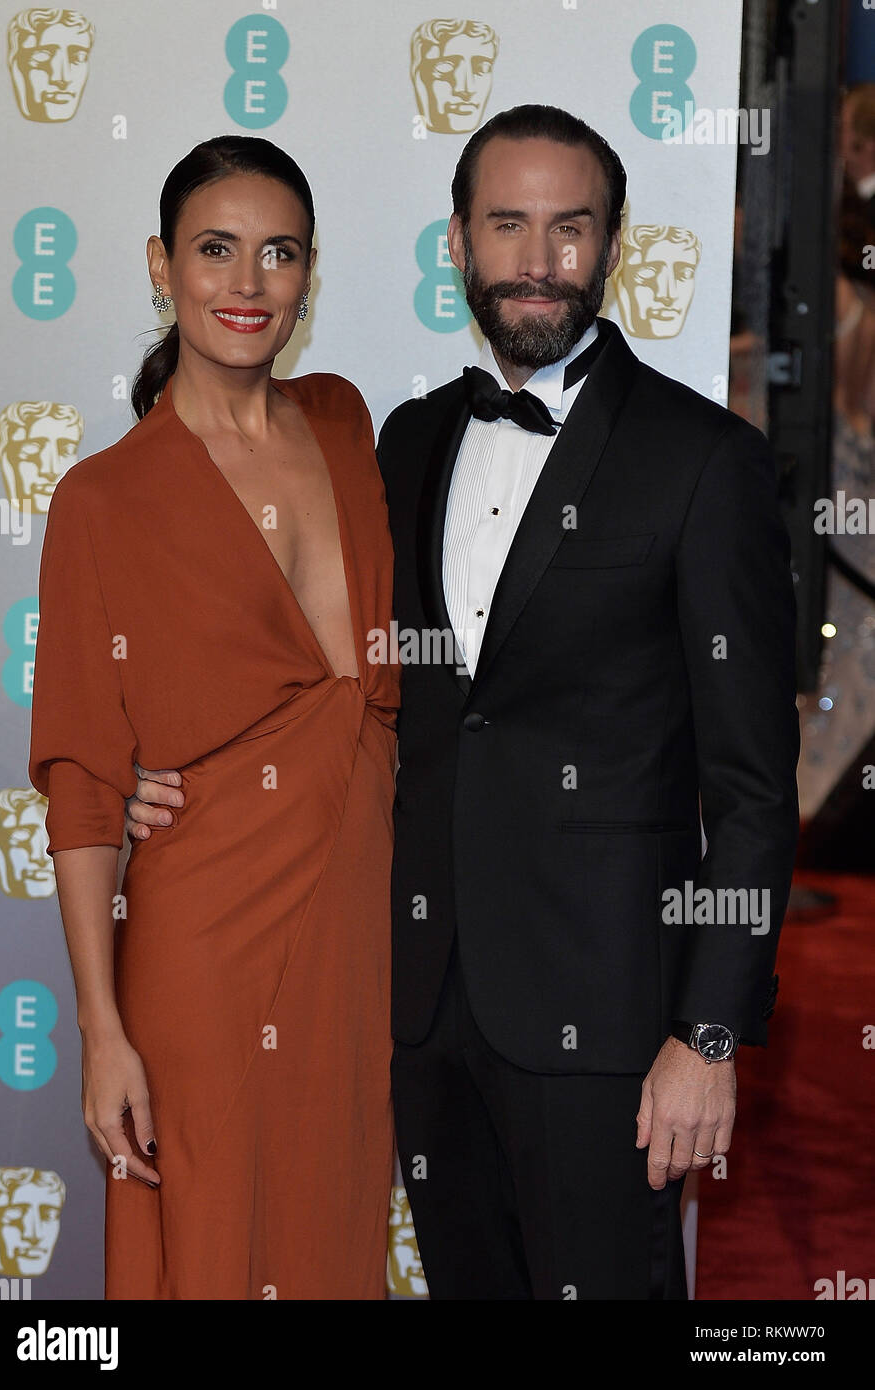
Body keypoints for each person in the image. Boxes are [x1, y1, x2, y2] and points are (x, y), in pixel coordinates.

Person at [129, 106, 800, 1300]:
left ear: (609, 245)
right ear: (458, 242)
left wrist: (703, 1038)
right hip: (420, 1011)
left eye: (567, 229)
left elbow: (750, 785)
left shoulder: (702, 458)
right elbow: (322, 681)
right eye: (507, 226)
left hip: (607, 1033)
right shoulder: (403, 442)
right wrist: (161, 769)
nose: (537, 260)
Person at [29, 135, 399, 1300]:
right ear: (161, 265)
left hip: (361, 930)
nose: (247, 284)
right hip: (202, 944)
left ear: (309, 273)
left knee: (330, 1231)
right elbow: (86, 783)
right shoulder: (104, 499)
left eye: (277, 253)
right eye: (215, 250)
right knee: (206, 1241)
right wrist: (101, 1032)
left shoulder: (345, 422)